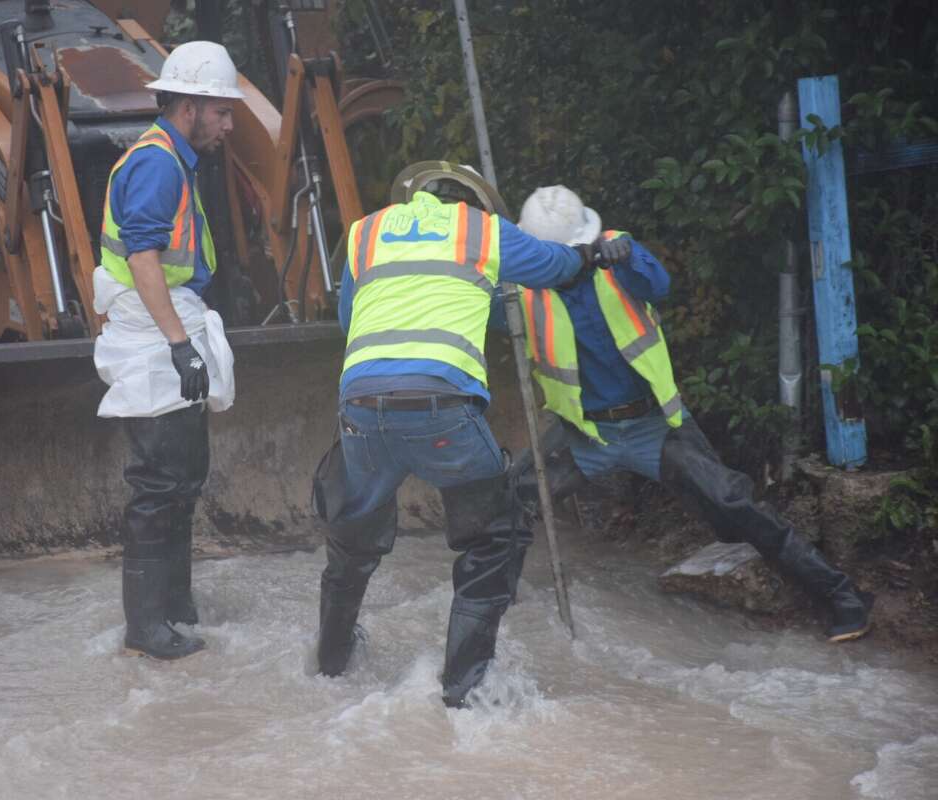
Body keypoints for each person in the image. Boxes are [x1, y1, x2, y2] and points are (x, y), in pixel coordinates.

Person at [514, 184, 873, 643]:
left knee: (732, 504)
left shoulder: (616, 257)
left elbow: (658, 285)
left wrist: (626, 257)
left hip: (654, 425)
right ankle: (496, 611)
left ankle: (842, 595)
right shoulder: (521, 287)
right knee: (509, 501)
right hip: (584, 434)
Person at [315, 162, 616, 708]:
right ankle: (464, 692)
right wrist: (589, 254)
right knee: (492, 535)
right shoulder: (480, 231)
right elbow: (554, 266)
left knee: (352, 538)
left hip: (360, 406)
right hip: (442, 410)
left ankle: (330, 664)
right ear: (473, 200)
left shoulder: (365, 232)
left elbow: (347, 319)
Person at [92, 41, 243, 660]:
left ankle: (174, 611)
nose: (229, 124)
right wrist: (181, 347)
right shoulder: (156, 164)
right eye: (221, 111)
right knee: (158, 483)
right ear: (188, 105)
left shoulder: (172, 159)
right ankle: (146, 628)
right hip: (155, 331)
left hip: (163, 323)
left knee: (181, 479)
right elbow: (143, 256)